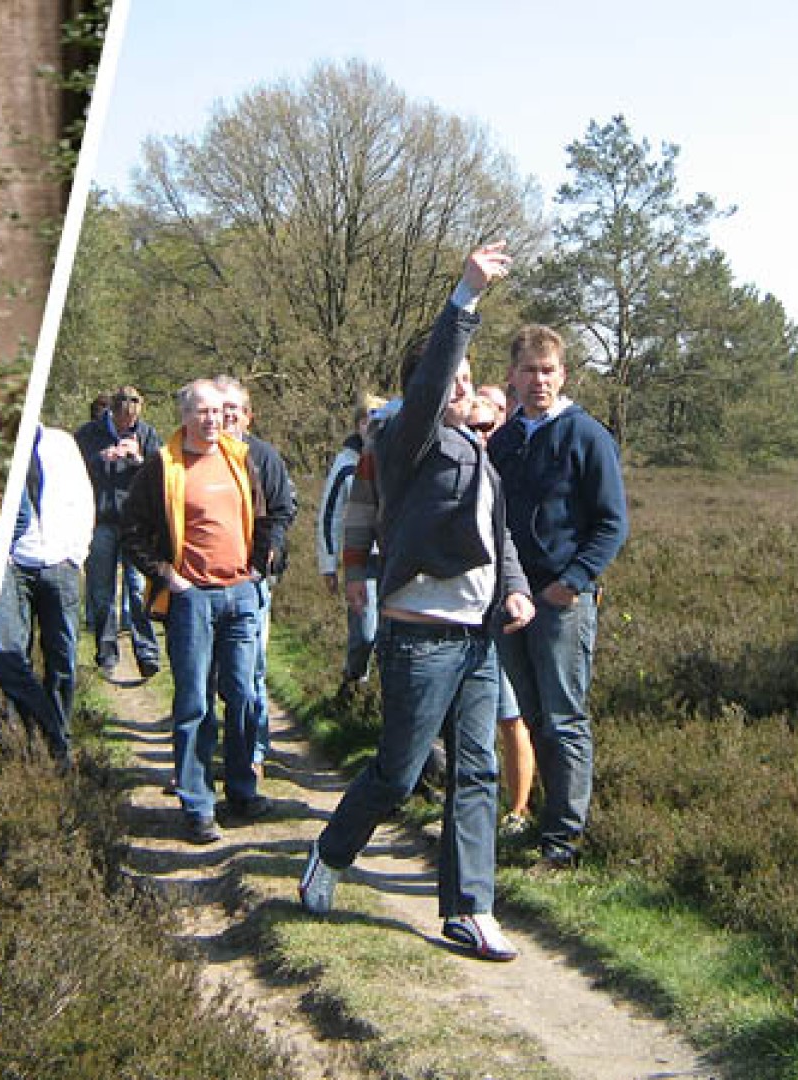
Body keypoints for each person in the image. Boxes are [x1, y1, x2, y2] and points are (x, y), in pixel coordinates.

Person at [299, 244, 535, 962]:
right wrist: (465, 295)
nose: (466, 386)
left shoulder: (475, 452)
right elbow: (435, 374)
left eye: (470, 377)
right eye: (454, 378)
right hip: (421, 641)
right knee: (398, 775)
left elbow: (499, 538)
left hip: (477, 639)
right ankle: (331, 854)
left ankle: (469, 910)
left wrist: (517, 588)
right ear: (427, 389)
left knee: (477, 771)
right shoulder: (410, 438)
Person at [488, 325, 630, 869]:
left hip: (563, 602)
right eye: (529, 370)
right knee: (529, 714)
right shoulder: (502, 441)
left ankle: (562, 841)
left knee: (564, 718)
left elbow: (611, 523)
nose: (539, 380)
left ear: (563, 375)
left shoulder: (587, 436)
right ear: (512, 376)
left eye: (548, 371)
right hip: (511, 602)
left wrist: (571, 583)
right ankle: (542, 821)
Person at [123, 380, 285, 843]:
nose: (213, 420)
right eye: (203, 412)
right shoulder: (163, 467)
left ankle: (241, 790)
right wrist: (167, 576)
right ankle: (197, 804)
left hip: (241, 593)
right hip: (192, 599)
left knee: (244, 697)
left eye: (218, 411)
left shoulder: (240, 459)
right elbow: (132, 529)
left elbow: (271, 512)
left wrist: (262, 563)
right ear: (185, 416)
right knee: (194, 701)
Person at [0, 423, 94, 764]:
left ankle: (57, 742)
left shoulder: (61, 444)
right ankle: (45, 736)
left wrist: (76, 554)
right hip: (13, 564)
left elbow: (84, 499)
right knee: (9, 652)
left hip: (59, 562)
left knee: (62, 655)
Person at [212, 376, 297, 779]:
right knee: (207, 673)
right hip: (204, 582)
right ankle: (208, 754)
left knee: (252, 669)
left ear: (247, 415)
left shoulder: (264, 457)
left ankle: (254, 752)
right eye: (220, 408)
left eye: (234, 410)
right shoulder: (193, 456)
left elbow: (284, 509)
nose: (227, 416)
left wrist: (267, 554)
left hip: (252, 579)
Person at [470, 386, 535, 835]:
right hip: (470, 609)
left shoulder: (513, 466)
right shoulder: (459, 468)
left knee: (513, 715)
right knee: (472, 717)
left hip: (512, 607)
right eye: (472, 427)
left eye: (487, 427)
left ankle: (519, 810)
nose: (480, 435)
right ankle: (473, 807)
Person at [74, 386, 164, 679]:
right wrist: (102, 458)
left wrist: (139, 460)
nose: (129, 424)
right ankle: (107, 653)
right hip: (99, 520)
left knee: (137, 589)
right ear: (113, 412)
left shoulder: (149, 435)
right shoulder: (87, 435)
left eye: (132, 421)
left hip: (136, 523)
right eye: (124, 420)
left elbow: (163, 476)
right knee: (102, 591)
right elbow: (72, 474)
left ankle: (147, 653)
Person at [317, 394, 386, 695]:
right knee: (365, 632)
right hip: (363, 560)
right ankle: (353, 683)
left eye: (377, 419)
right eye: (364, 420)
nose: (370, 426)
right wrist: (328, 563)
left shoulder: (398, 457)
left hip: (396, 560)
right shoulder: (346, 463)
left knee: (392, 637)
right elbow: (329, 514)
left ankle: (383, 702)